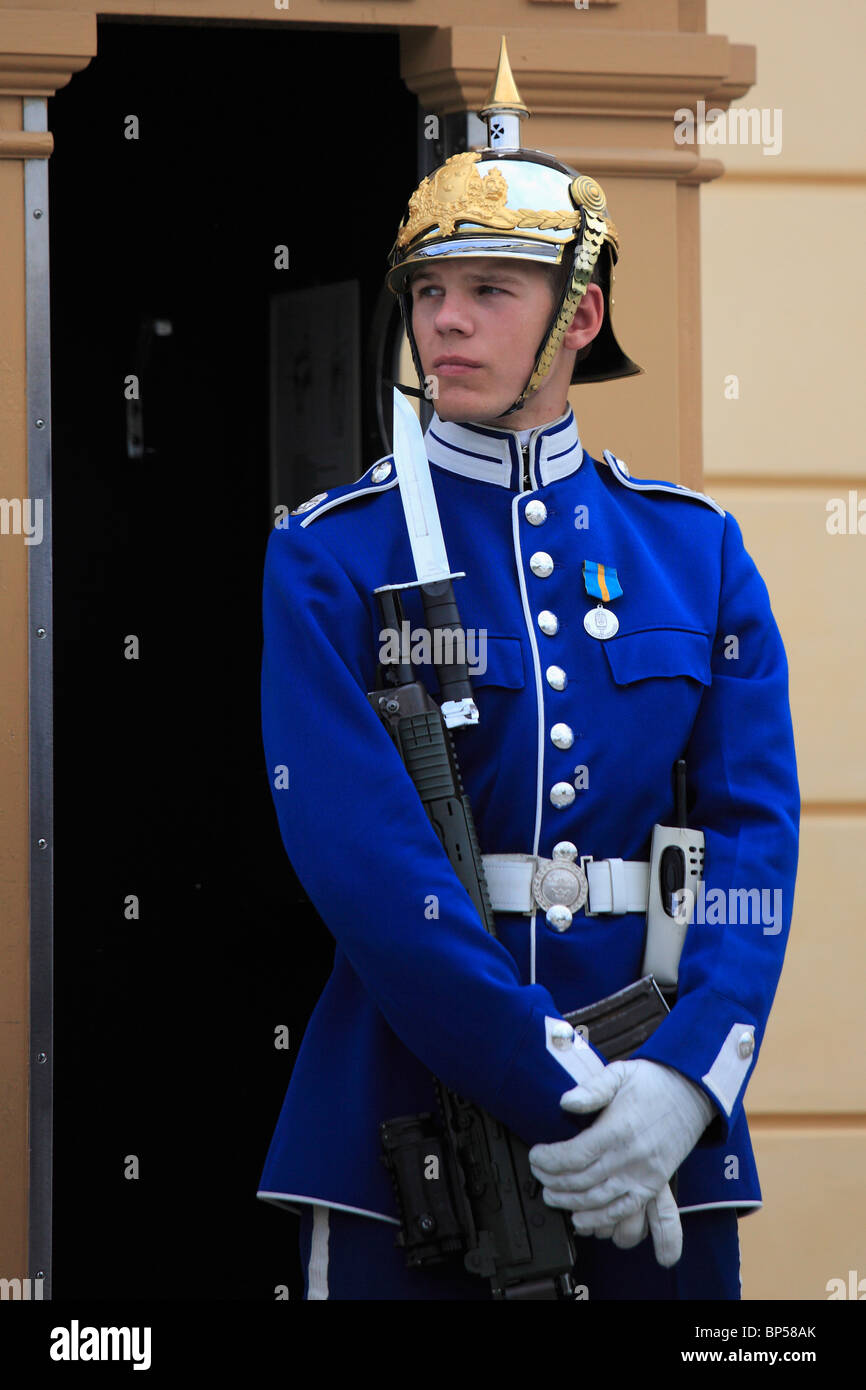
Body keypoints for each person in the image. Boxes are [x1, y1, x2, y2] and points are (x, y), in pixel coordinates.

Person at [256, 39, 799, 1301]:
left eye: (491, 288)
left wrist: (682, 1083)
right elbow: (366, 864)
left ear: (580, 314)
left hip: (662, 1149)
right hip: (410, 1132)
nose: (445, 318)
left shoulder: (692, 550)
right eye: (429, 288)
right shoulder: (332, 553)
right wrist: (560, 1091)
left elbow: (748, 843)